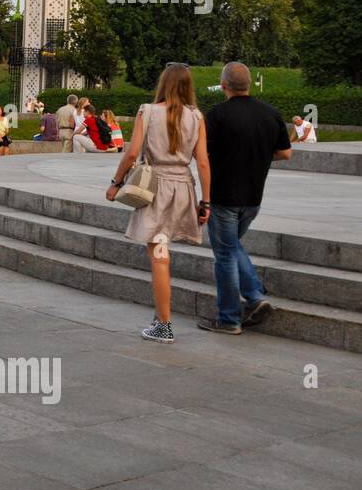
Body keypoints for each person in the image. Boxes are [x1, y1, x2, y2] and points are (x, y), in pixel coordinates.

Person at [106, 64, 211, 344]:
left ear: (163, 84)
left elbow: (132, 153)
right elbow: (202, 161)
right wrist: (206, 201)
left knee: (160, 256)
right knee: (163, 251)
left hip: (156, 188)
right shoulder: (196, 116)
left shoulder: (148, 111)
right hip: (183, 188)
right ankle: (160, 316)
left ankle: (164, 325)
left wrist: (116, 183)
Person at [202, 61, 293, 335]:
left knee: (226, 253)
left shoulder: (217, 115)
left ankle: (232, 317)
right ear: (250, 84)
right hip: (253, 196)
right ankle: (254, 295)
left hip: (223, 196)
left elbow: (203, 156)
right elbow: (285, 153)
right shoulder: (270, 113)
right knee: (232, 246)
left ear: (224, 85)